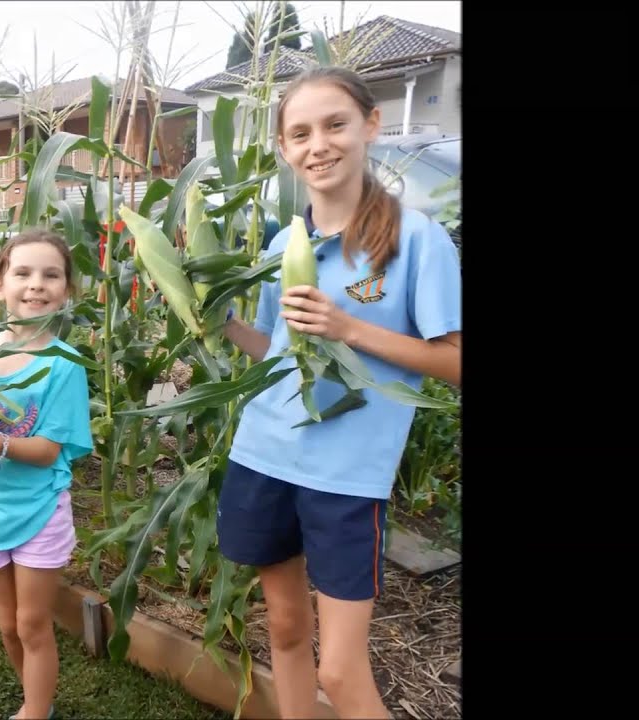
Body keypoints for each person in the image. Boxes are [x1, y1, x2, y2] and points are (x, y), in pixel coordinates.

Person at [219, 66, 462, 719]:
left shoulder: (416, 240)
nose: (317, 144)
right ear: (283, 148)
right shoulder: (283, 244)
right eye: (299, 133)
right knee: (287, 630)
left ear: (370, 126)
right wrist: (214, 318)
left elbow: (454, 362)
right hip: (265, 455)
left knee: (343, 671)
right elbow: (277, 352)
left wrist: (349, 328)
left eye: (335, 124)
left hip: (348, 479)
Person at [0, 228, 93, 720]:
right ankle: (36, 705)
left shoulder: (64, 366)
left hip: (38, 510)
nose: (36, 284)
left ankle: (33, 713)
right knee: (7, 626)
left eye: (51, 275)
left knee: (32, 625)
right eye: (22, 272)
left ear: (68, 290)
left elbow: (49, 450)